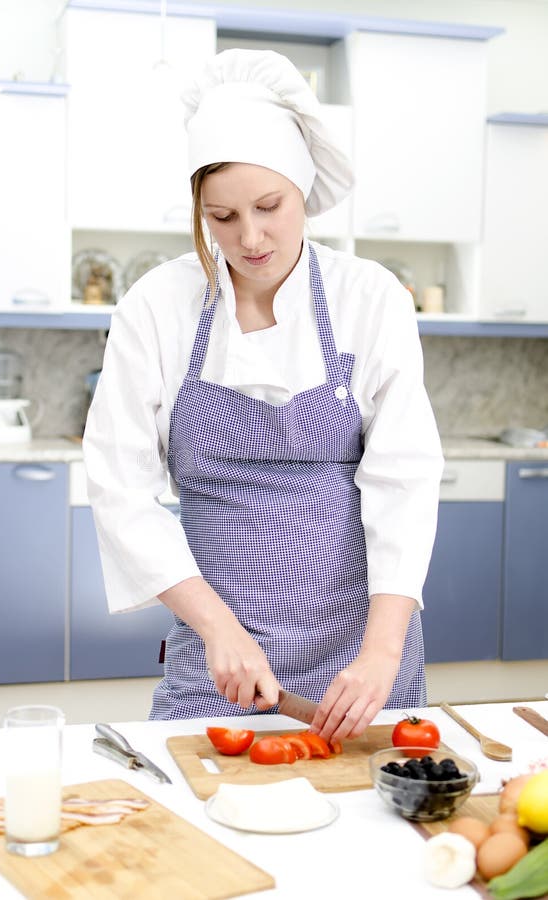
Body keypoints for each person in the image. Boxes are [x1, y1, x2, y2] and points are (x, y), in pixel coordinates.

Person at [83, 48, 444, 744]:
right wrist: (217, 628)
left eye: (269, 207)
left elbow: (404, 480)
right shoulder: (156, 306)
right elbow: (119, 488)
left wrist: (382, 653)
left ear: (303, 189)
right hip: (220, 656)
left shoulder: (369, 299)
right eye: (220, 217)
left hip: (361, 660)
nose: (249, 238)